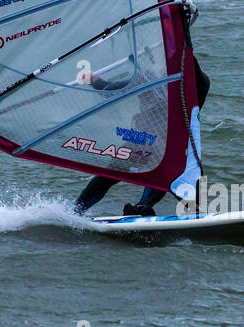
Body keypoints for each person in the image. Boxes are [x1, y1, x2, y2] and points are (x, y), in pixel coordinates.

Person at [73, 58, 210, 216]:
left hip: (164, 145)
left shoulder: (197, 85)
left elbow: (193, 70)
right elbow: (110, 89)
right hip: (147, 143)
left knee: (167, 173)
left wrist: (182, 41)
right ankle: (139, 207)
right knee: (111, 175)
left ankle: (79, 211)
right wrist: (92, 79)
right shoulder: (147, 78)